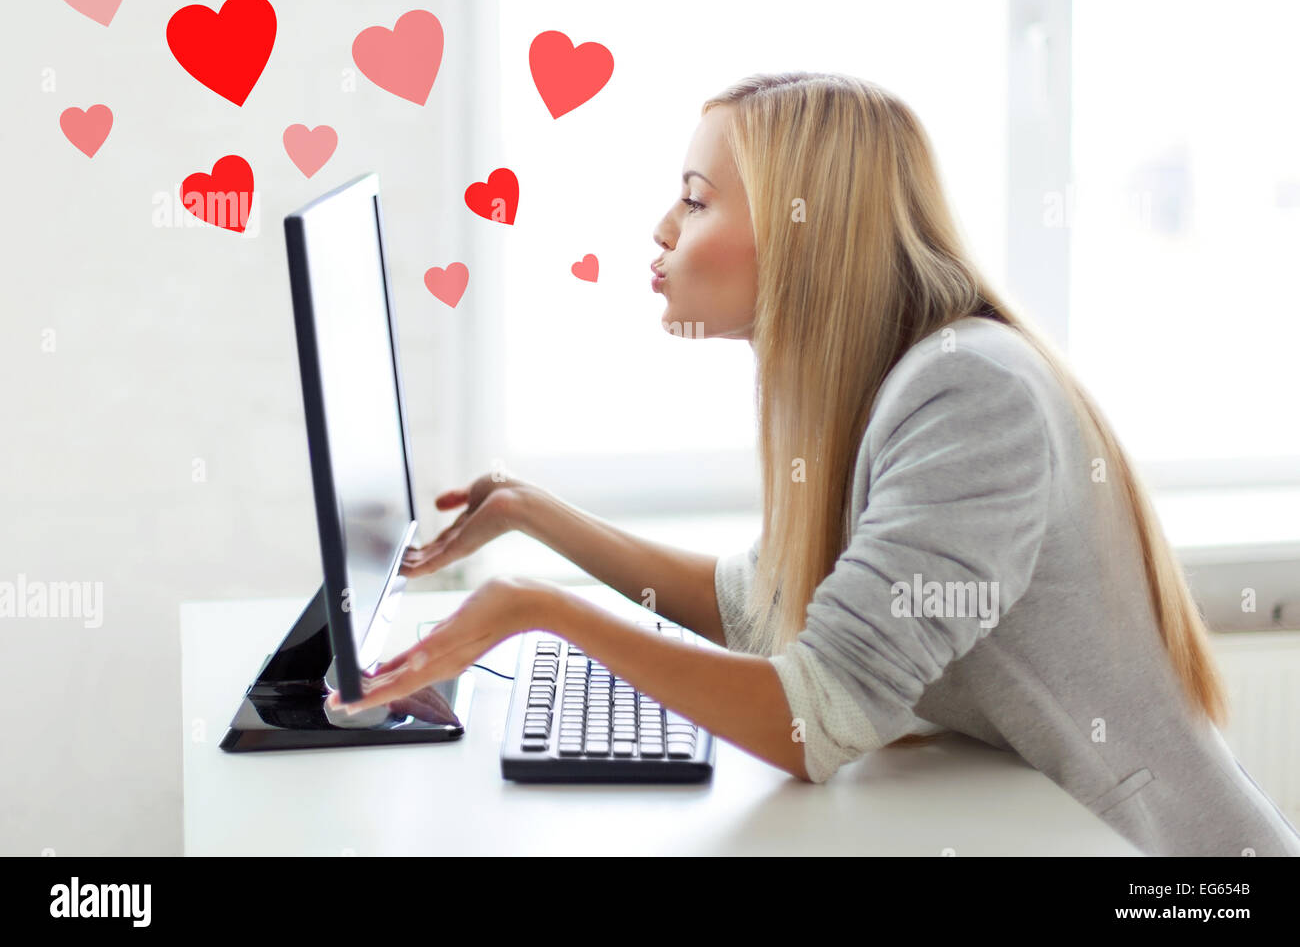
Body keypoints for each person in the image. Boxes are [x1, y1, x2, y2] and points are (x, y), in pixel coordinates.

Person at [330, 72, 1300, 857]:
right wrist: (540, 518)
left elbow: (811, 721)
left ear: (806, 229)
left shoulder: (970, 395)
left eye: (695, 199)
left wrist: (540, 610)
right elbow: (761, 601)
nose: (661, 229)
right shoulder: (892, 383)